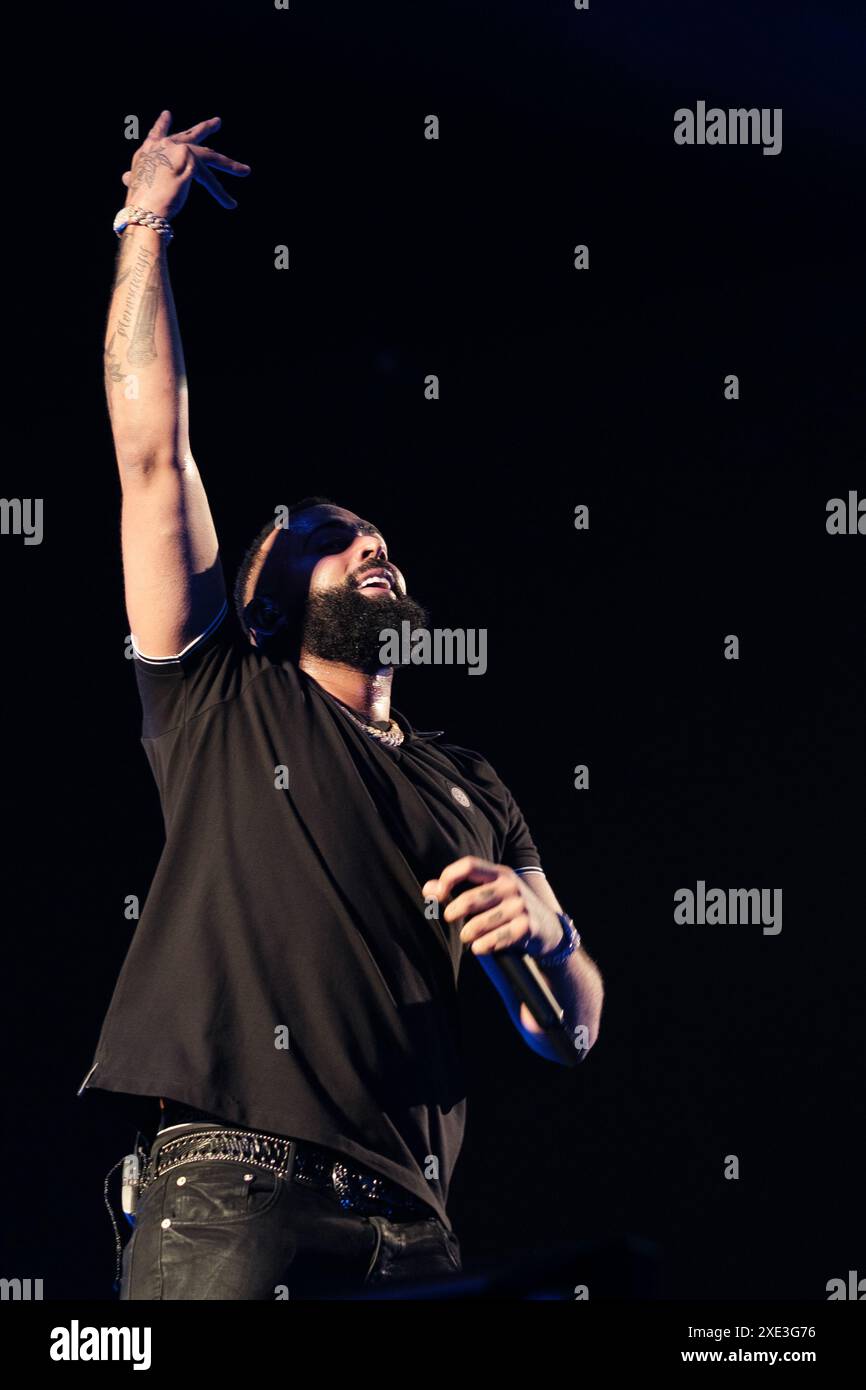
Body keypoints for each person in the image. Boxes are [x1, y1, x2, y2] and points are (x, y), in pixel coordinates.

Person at [82, 109, 605, 1300]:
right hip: (232, 1192)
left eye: (379, 540)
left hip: (415, 1229)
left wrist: (545, 932)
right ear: (262, 604)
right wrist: (145, 220)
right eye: (331, 540)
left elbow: (568, 1030)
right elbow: (152, 453)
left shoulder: (466, 781)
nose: (373, 548)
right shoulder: (221, 692)